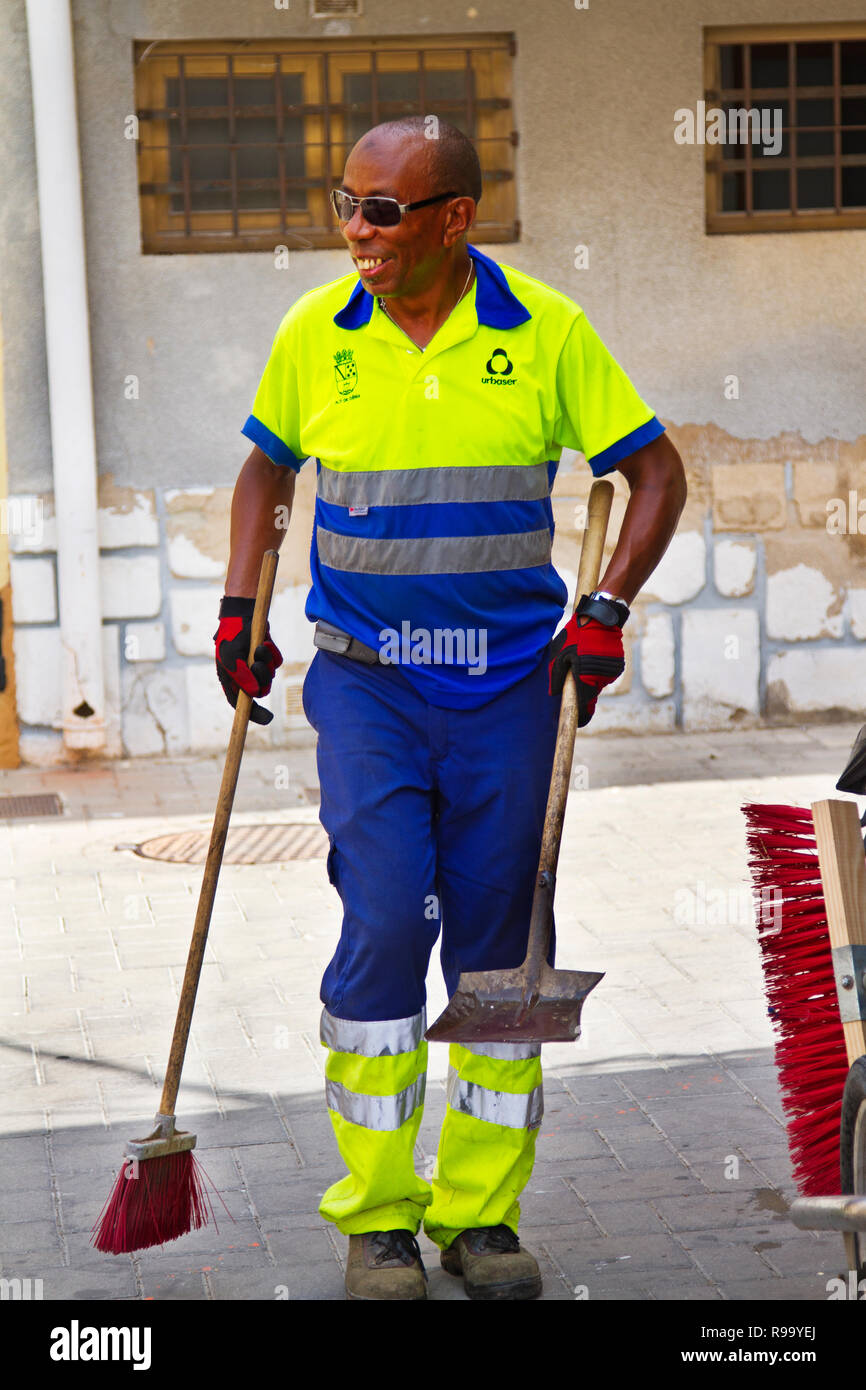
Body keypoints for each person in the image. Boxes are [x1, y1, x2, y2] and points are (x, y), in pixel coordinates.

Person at [215, 117, 687, 1301]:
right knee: (381, 920)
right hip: (368, 681)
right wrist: (238, 607)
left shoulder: (543, 334)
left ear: (453, 218)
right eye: (345, 203)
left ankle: (480, 1216)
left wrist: (606, 607)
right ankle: (378, 1217)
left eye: (382, 210)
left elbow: (656, 470)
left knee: (499, 953)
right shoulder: (316, 333)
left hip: (509, 689)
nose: (355, 232)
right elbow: (267, 468)